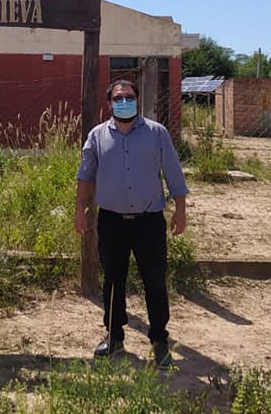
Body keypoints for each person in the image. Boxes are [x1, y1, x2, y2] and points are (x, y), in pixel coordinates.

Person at [74, 79, 188, 366]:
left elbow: (173, 171)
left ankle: (160, 340)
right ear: (109, 103)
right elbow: (85, 175)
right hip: (112, 222)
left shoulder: (156, 133)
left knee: (155, 281)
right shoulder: (98, 136)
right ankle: (114, 338)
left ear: (137, 100)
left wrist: (181, 208)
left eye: (129, 96)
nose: (123, 101)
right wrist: (80, 209)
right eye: (118, 97)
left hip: (148, 222)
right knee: (113, 279)